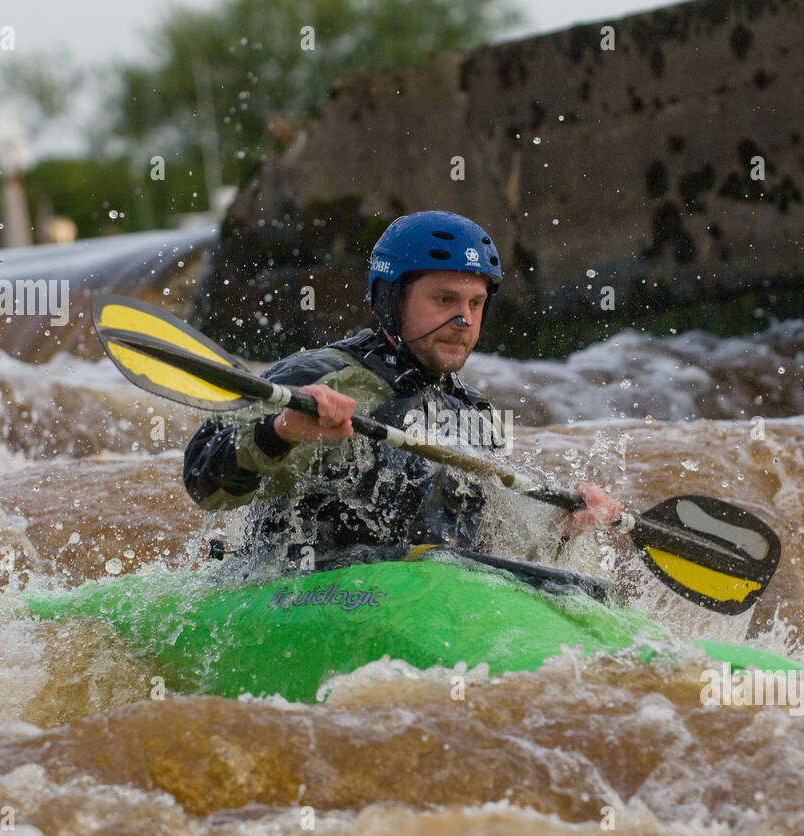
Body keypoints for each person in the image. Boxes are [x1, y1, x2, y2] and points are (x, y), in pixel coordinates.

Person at [182, 209, 620, 572]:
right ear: (390, 299)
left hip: (428, 600)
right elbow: (204, 483)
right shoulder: (316, 377)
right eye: (445, 300)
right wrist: (281, 430)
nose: (464, 321)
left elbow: (489, 550)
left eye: (475, 303)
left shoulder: (473, 414)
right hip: (309, 592)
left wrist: (562, 530)